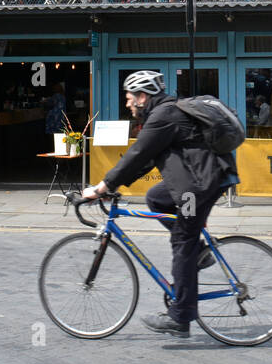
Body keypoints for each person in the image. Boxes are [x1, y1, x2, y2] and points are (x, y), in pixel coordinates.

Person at [81, 70, 227, 338]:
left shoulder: (163, 116)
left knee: (183, 242)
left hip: (199, 185)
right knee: (155, 198)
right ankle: (200, 251)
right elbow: (146, 159)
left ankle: (180, 317)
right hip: (194, 180)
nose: (127, 104)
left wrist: (103, 186)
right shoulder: (163, 115)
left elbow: (136, 154)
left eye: (128, 98)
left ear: (142, 96)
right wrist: (113, 186)